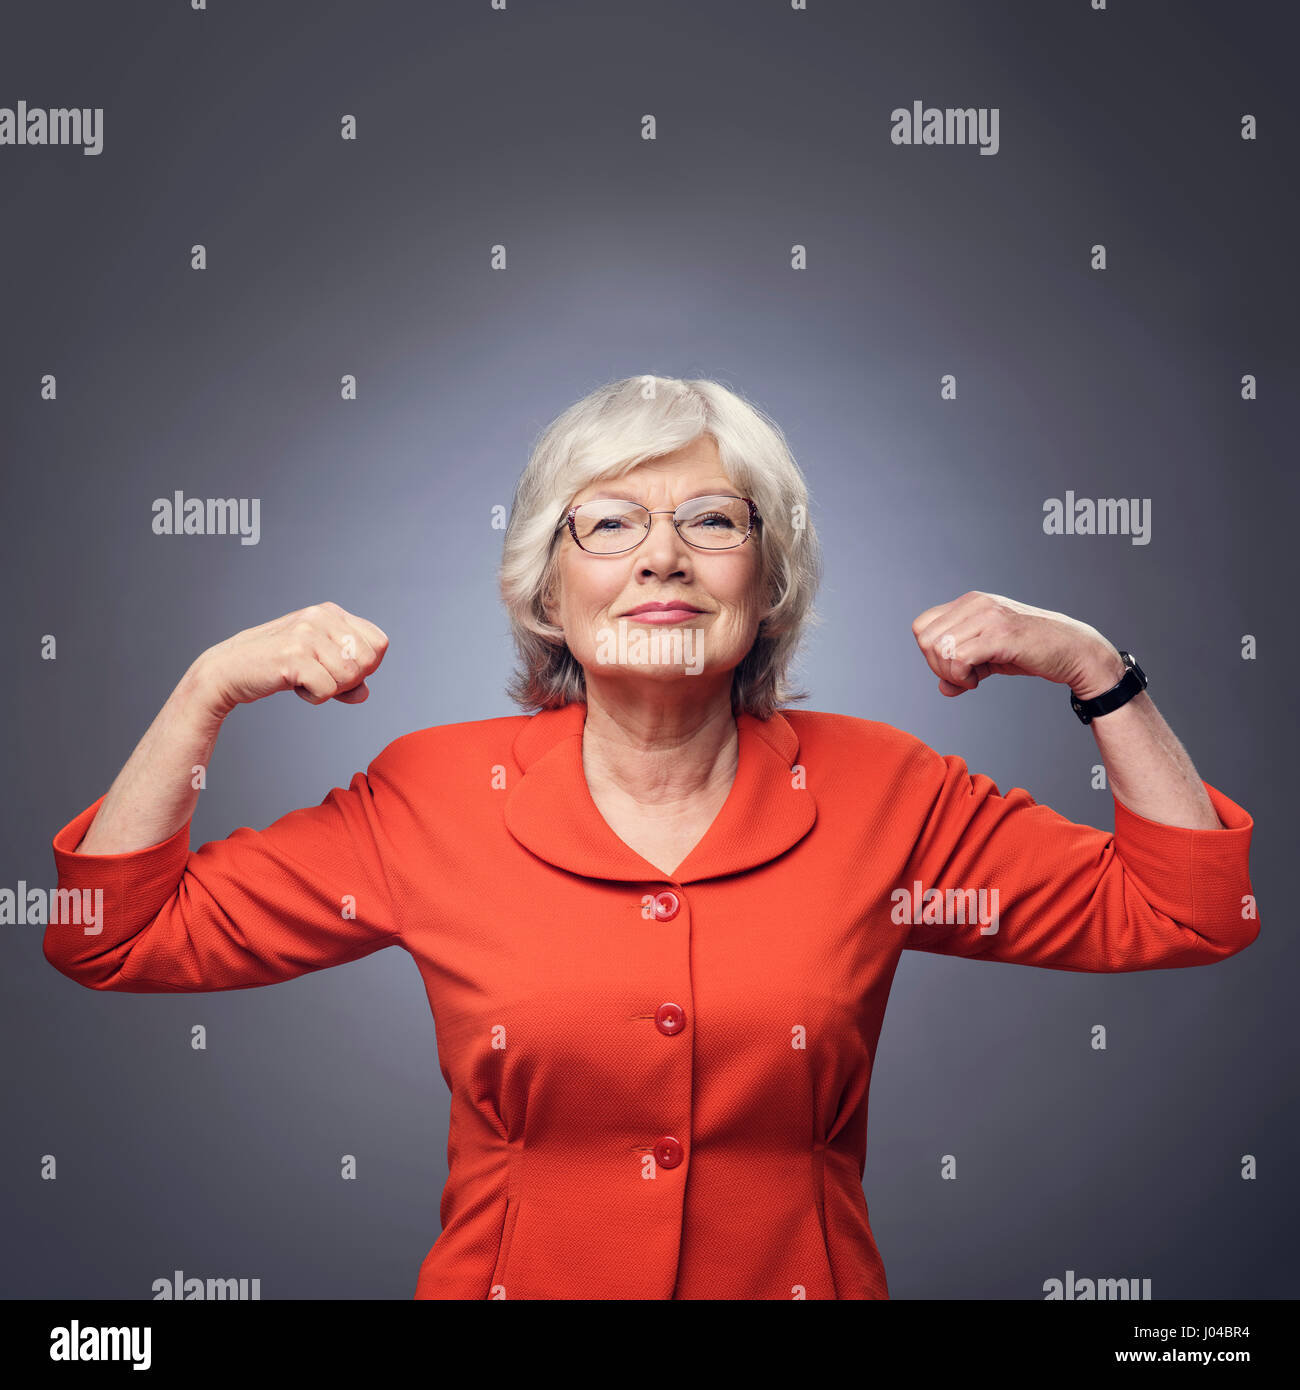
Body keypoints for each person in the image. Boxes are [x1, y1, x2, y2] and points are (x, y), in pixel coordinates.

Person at [44, 375, 1259, 1300]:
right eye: (609, 524)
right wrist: (204, 687)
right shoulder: (433, 794)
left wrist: (1098, 671)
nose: (661, 557)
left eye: (712, 521)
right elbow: (111, 935)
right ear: (544, 588)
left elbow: (1189, 910)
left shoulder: (887, 789)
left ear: (768, 582)